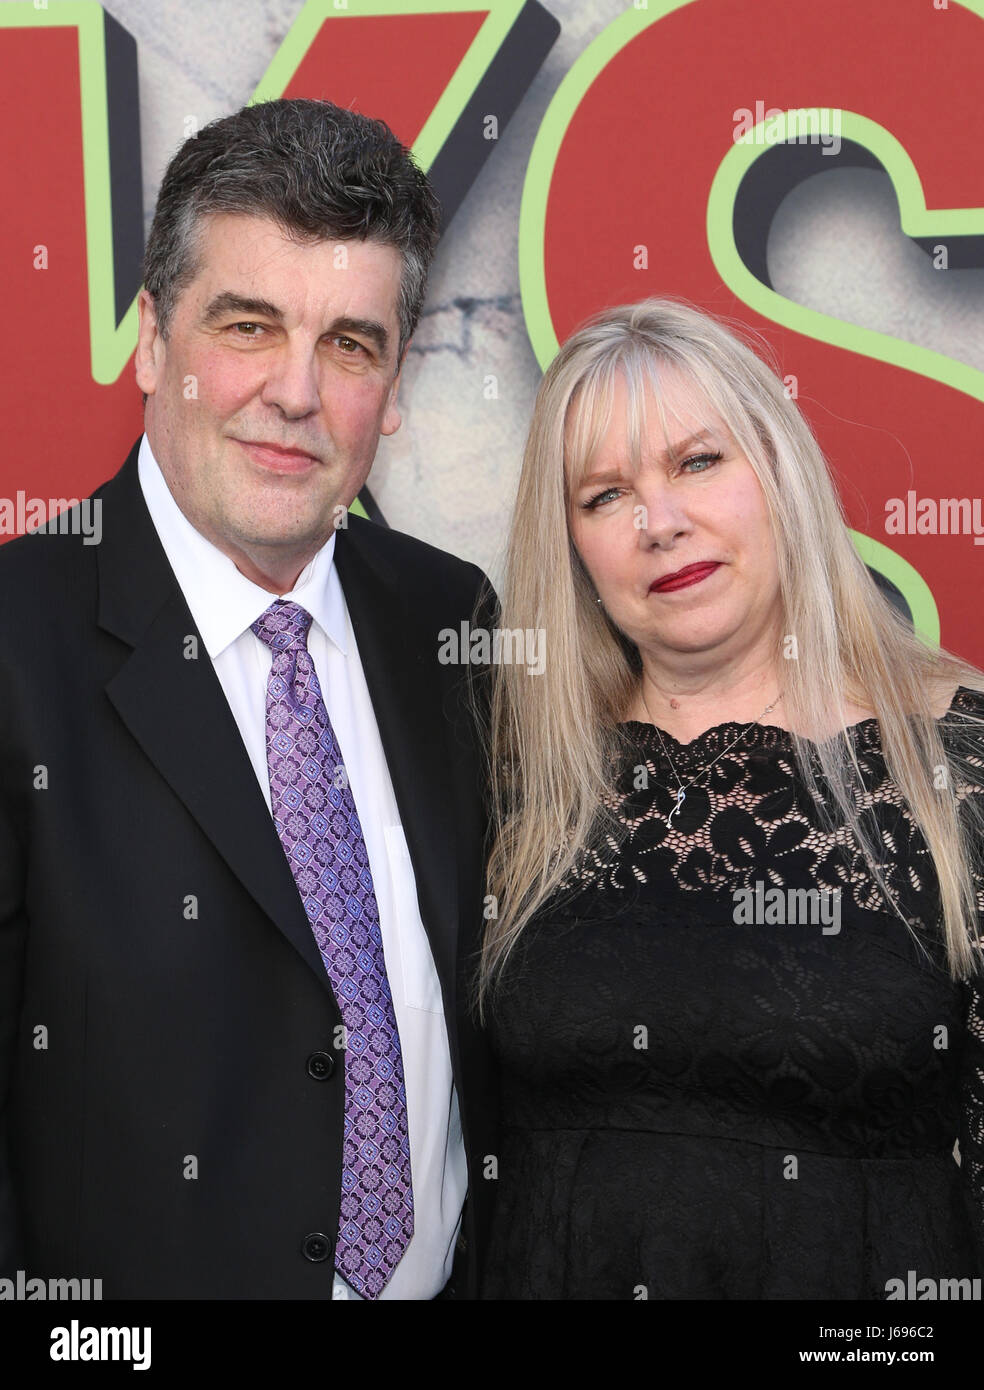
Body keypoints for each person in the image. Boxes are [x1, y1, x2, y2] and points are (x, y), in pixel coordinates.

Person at [0, 98, 497, 1300]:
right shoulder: (15, 642)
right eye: (248, 324)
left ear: (394, 383)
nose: (294, 392)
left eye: (350, 344)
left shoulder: (454, 619)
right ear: (152, 343)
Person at [476, 297, 984, 1300]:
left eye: (698, 462)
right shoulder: (511, 772)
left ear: (779, 472)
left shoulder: (956, 766)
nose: (660, 521)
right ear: (570, 542)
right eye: (604, 494)